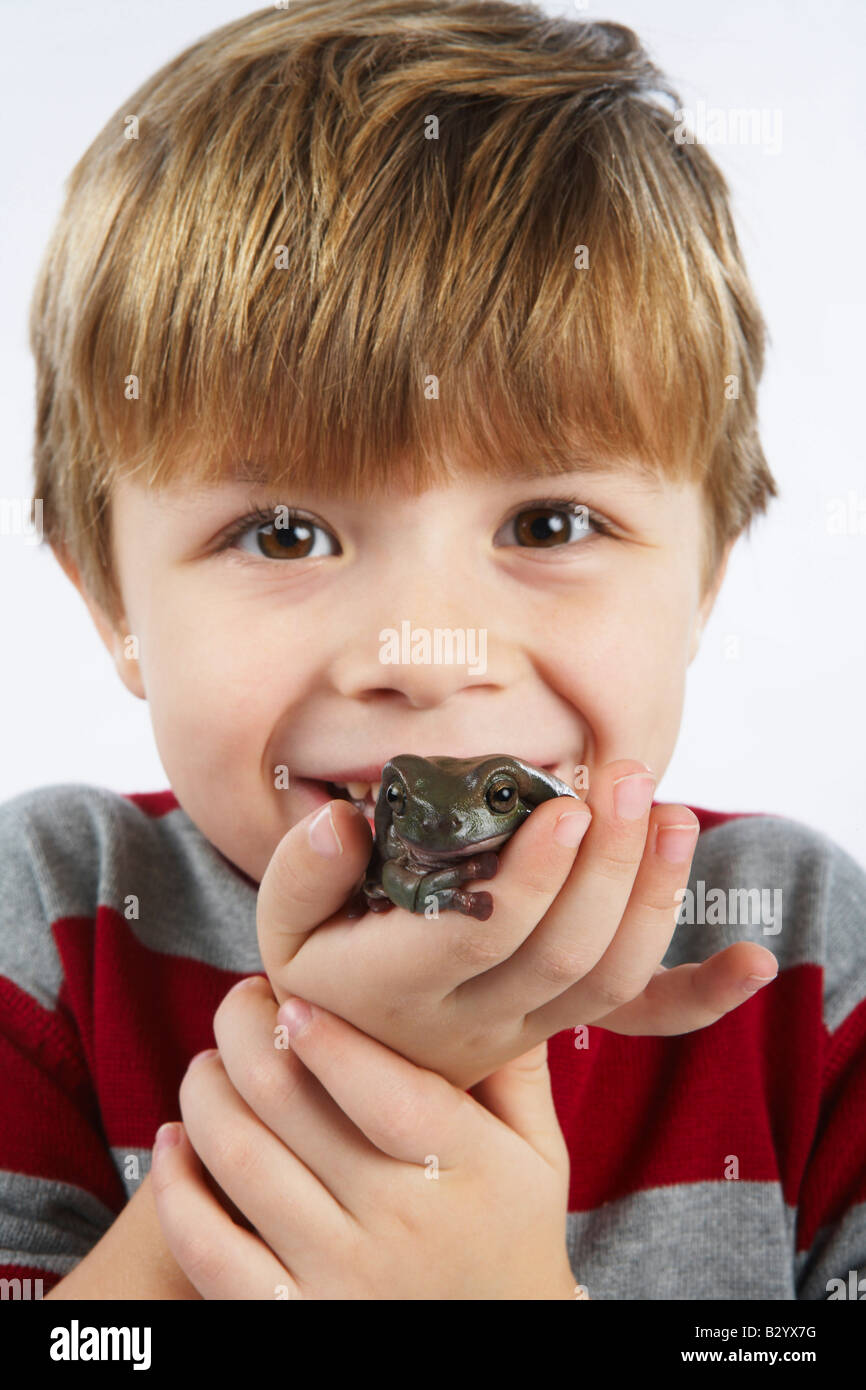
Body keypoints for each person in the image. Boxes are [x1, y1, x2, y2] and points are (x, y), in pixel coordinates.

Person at [3, 0, 863, 1300]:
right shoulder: (53, 922)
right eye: (283, 533)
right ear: (111, 601)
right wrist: (335, 1067)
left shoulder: (797, 951)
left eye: (549, 521)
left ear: (701, 581)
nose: (428, 648)